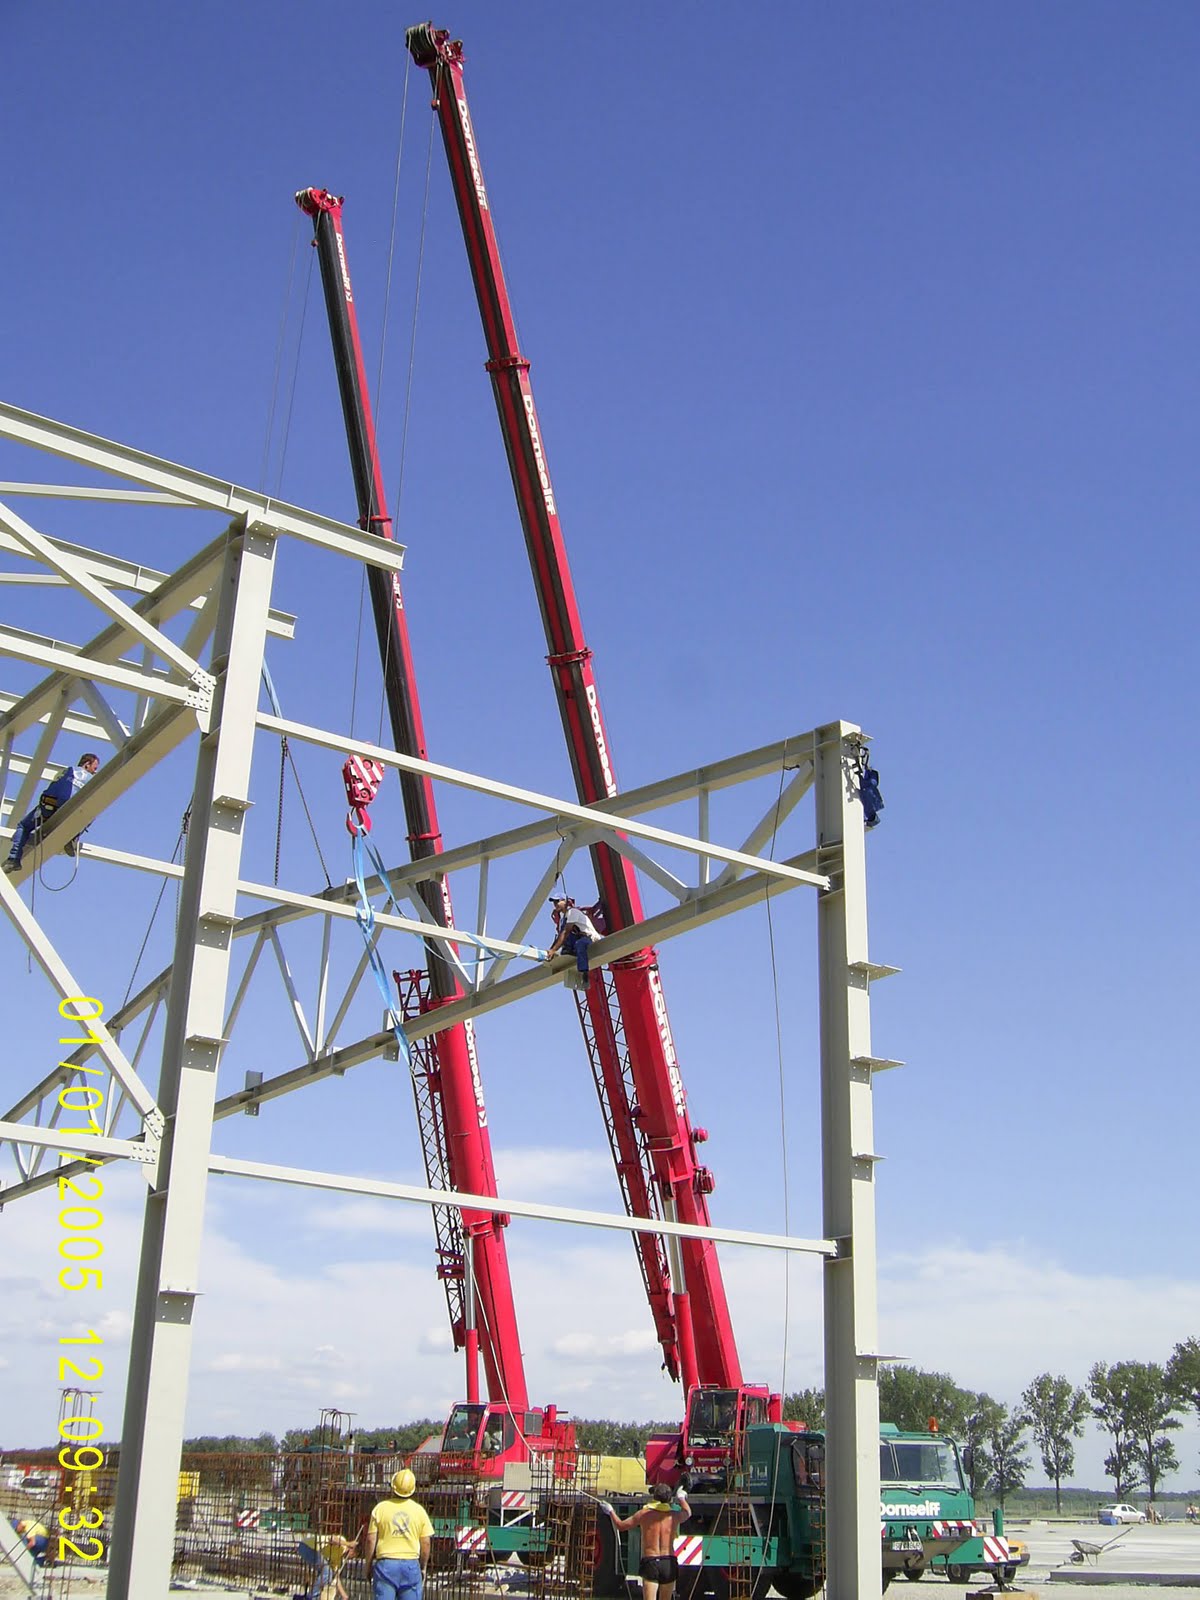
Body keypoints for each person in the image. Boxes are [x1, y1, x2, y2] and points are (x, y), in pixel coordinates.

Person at [4, 752, 100, 872]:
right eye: (94, 768)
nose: (95, 771)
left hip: (48, 806)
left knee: (24, 826)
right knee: (90, 815)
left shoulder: (65, 771)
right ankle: (72, 837)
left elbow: (54, 787)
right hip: (72, 812)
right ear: (87, 764)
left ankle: (14, 858)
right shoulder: (93, 780)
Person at [601, 1483, 690, 1600]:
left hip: (651, 1561)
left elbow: (621, 1526)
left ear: (654, 1497)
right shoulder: (673, 1515)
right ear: (669, 1498)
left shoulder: (644, 1514)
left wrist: (610, 1511)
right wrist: (681, 1498)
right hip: (668, 1562)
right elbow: (688, 1512)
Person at [364, 1467, 433, 1600]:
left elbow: (370, 1540)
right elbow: (426, 1542)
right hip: (410, 1565)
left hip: (385, 1565)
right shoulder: (419, 1511)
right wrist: (423, 1567)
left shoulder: (380, 1508)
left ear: (393, 1486)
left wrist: (368, 1566)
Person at [545, 895, 600, 989]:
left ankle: (584, 973)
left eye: (557, 901)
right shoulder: (563, 919)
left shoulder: (573, 912)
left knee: (580, 944)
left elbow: (566, 932)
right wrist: (551, 950)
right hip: (577, 939)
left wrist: (553, 950)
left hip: (589, 938)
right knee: (567, 943)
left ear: (565, 902)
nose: (555, 904)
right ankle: (570, 951)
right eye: (554, 902)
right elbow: (561, 935)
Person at [297, 1532, 356, 1600]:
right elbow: (332, 1538)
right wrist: (348, 1543)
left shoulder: (338, 1559)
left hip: (311, 1550)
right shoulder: (343, 1543)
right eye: (353, 1555)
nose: (351, 1558)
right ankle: (312, 1596)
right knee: (327, 1572)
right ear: (352, 1550)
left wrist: (344, 1596)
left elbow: (336, 1576)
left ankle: (312, 1595)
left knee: (329, 1574)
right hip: (307, 1546)